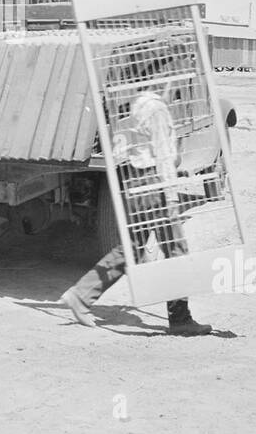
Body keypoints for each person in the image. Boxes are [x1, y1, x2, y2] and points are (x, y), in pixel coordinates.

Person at [60, 45, 214, 337]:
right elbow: (166, 157)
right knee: (177, 251)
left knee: (130, 250)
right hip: (154, 183)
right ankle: (180, 318)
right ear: (163, 73)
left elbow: (120, 149)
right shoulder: (156, 109)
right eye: (175, 72)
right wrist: (170, 196)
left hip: (134, 180)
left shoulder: (131, 105)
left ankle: (81, 295)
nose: (177, 79)